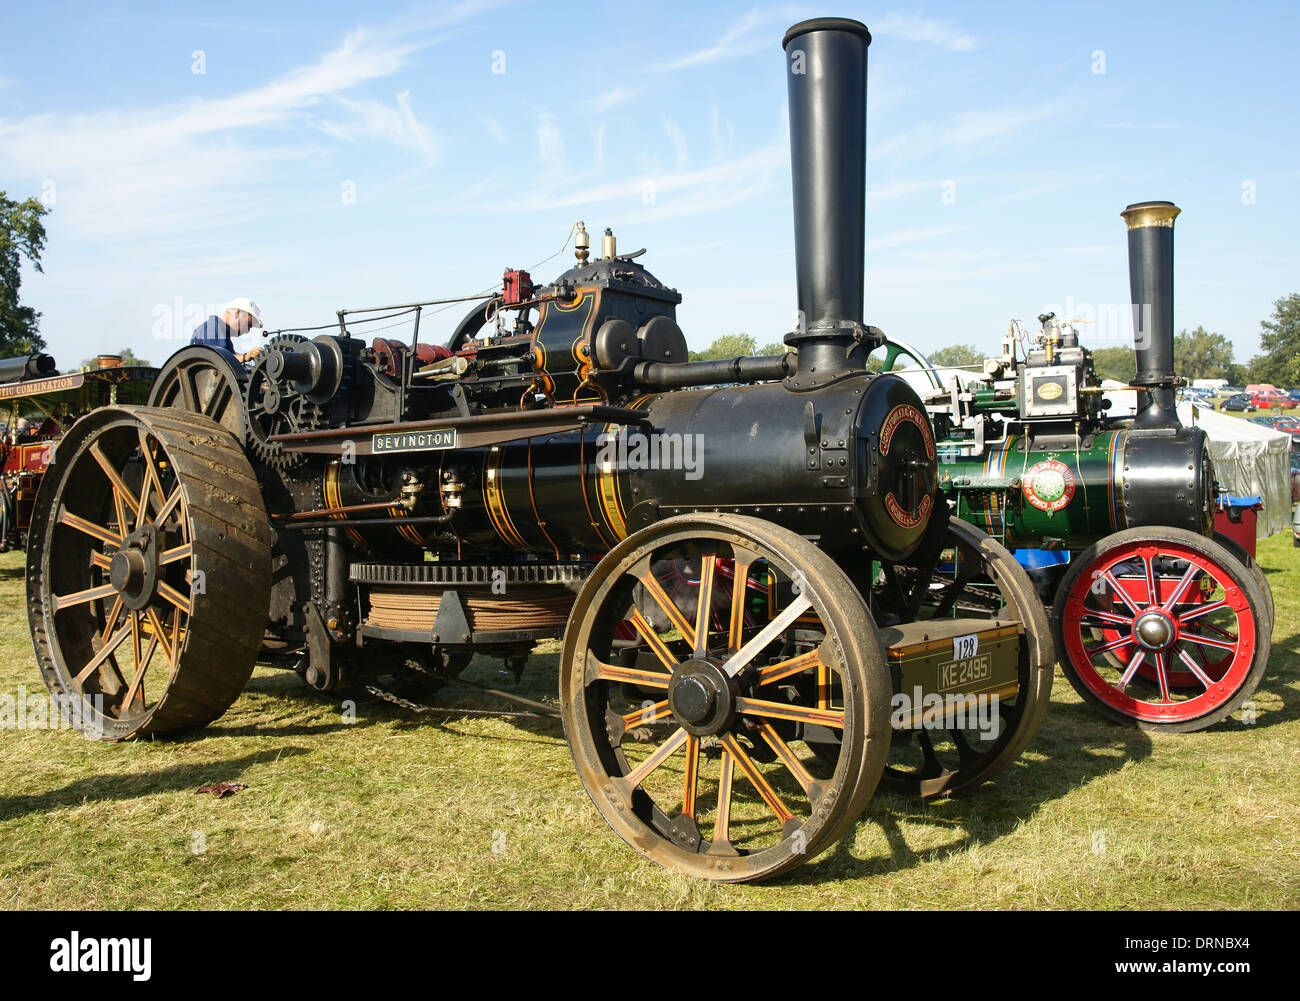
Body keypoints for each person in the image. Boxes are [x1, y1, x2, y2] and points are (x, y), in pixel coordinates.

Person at [191, 297, 265, 362]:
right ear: (237, 313)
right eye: (248, 324)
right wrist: (245, 357)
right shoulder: (212, 328)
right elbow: (219, 359)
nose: (247, 331)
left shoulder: (221, 333)